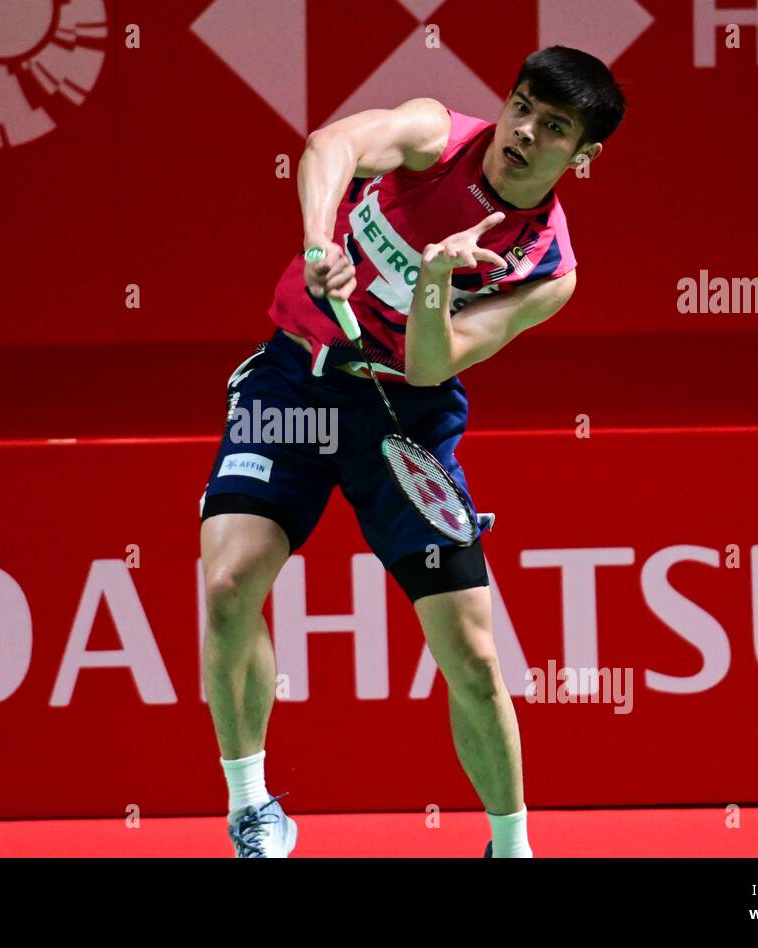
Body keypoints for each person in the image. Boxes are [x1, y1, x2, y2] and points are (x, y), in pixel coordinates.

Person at [198, 46, 626, 858]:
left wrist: (434, 280)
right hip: (294, 381)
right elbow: (331, 144)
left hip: (404, 416)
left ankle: (510, 847)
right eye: (524, 106)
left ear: (584, 154)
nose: (526, 132)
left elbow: (433, 364)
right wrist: (320, 242)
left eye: (555, 126)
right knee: (226, 582)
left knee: (468, 650)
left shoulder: (547, 268)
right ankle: (252, 805)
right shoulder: (437, 135)